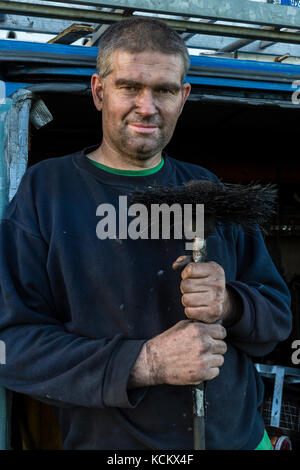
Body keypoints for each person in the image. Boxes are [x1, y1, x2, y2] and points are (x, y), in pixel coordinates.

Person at [0, 17, 292, 451]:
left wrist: (230, 303)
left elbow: (277, 319)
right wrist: (145, 363)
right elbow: (13, 348)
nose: (147, 106)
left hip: (242, 440)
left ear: (183, 96)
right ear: (100, 92)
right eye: (130, 87)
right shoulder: (48, 192)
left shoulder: (205, 189)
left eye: (164, 90)